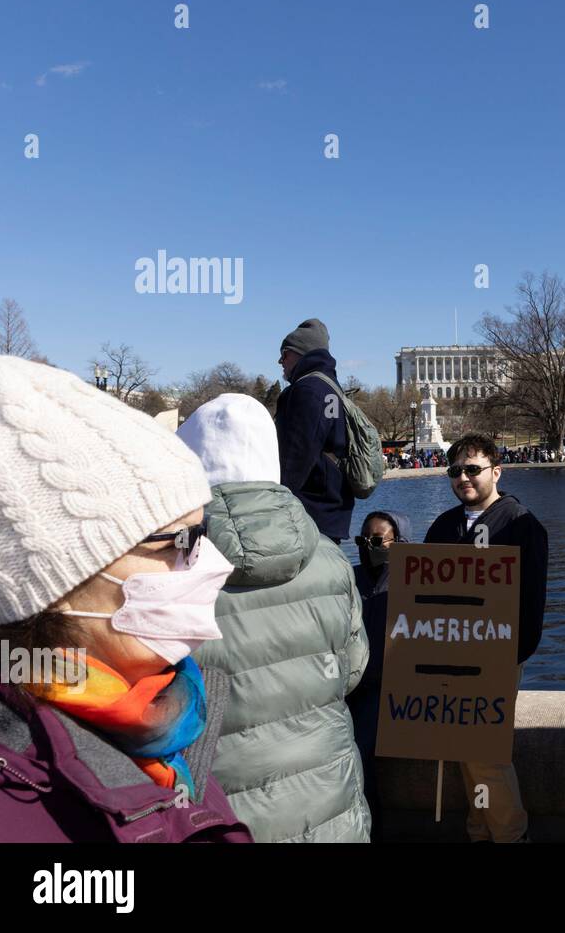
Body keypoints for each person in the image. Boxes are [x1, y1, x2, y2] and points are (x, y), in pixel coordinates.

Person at [0, 355, 251, 842]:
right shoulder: (5, 804)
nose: (211, 561)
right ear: (54, 581)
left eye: (203, 531)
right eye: (178, 539)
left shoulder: (165, 714)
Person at [178, 393, 372, 842]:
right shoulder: (329, 556)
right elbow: (352, 668)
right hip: (331, 807)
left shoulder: (170, 566)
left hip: (220, 812)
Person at [424, 433, 548, 843]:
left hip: (497, 655)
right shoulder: (444, 525)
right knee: (463, 750)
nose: (463, 478)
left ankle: (513, 835)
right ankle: (480, 831)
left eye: (472, 469)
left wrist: (512, 655)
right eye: (455, 471)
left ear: (496, 471)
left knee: (485, 753)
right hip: (450, 653)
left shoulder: (520, 523)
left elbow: (532, 601)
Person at [346, 508, 413, 841]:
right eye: (362, 539)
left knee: (359, 754)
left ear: (398, 541)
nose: (367, 545)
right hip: (349, 687)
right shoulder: (349, 577)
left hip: (388, 689)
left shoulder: (413, 579)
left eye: (376, 540)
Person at [275, 318, 354, 542]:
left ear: (301, 353)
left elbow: (297, 455)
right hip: (331, 507)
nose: (280, 360)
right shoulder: (330, 387)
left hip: (308, 515)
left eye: (285, 353)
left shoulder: (308, 390)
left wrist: (276, 503)